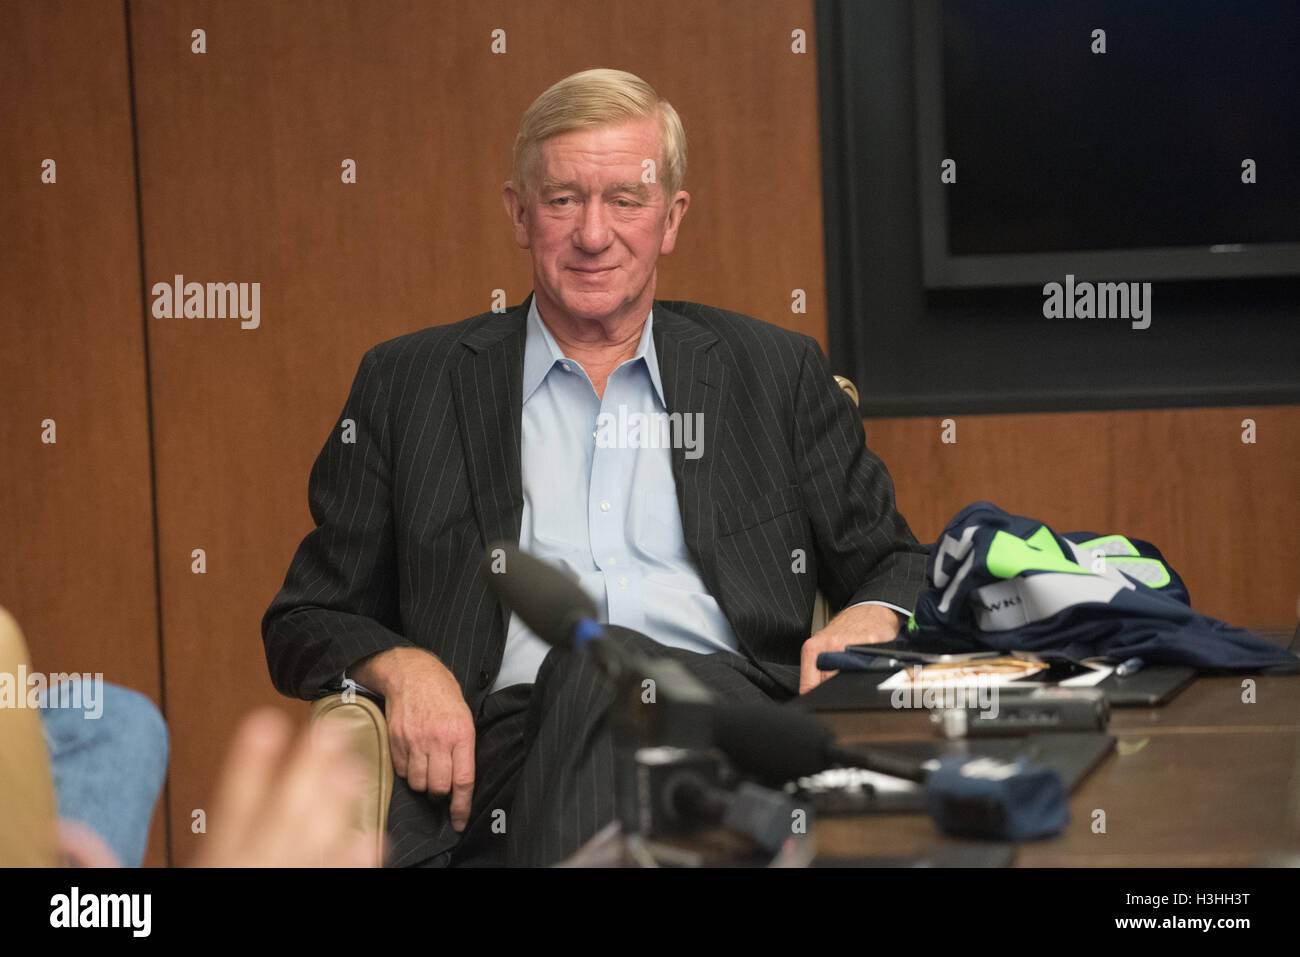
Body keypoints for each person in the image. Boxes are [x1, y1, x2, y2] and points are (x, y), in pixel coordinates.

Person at [262, 68, 929, 867]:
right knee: (592, 670)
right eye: (563, 199)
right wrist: (403, 665)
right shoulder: (408, 384)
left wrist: (870, 617)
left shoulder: (774, 373)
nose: (592, 233)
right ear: (518, 212)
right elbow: (305, 618)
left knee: (607, 670)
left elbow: (898, 561)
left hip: (723, 720)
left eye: (626, 199)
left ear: (670, 218)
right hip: (508, 756)